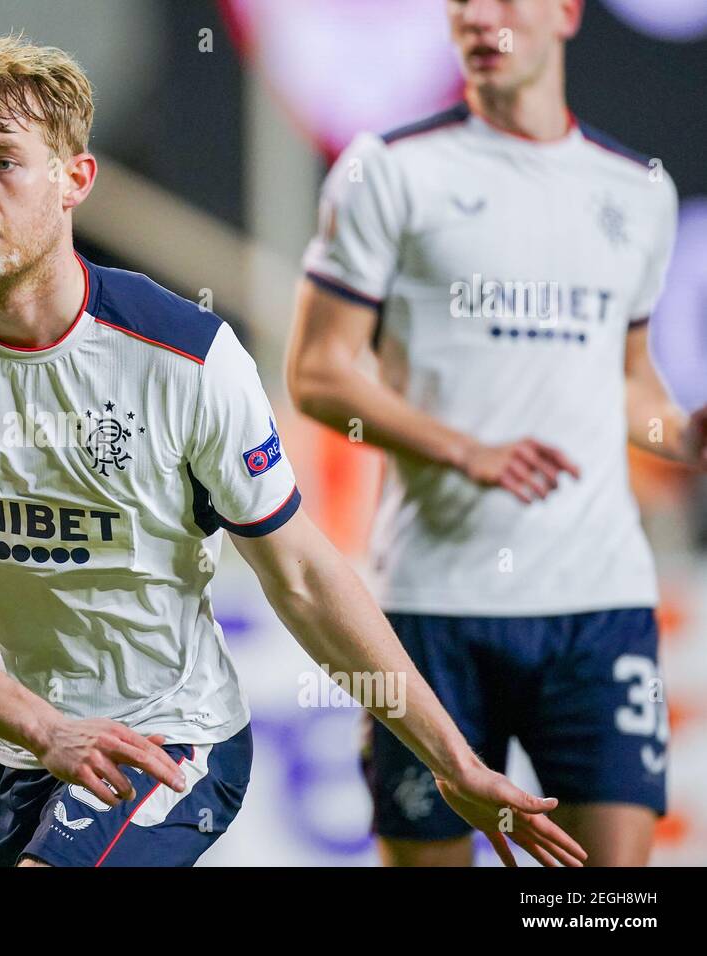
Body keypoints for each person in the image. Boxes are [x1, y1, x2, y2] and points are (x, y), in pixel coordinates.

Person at [0, 33, 585, 867]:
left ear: (76, 180)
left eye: (4, 161)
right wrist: (44, 729)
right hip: (22, 746)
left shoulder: (186, 357)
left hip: (174, 736)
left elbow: (299, 572)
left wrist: (455, 761)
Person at [289, 0, 706, 866]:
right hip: (433, 609)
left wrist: (689, 431)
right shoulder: (389, 170)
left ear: (565, 12)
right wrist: (463, 448)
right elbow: (318, 373)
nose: (479, 16)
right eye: (462, 1)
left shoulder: (638, 190)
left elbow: (630, 387)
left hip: (598, 607)